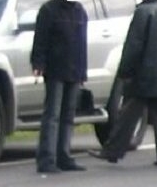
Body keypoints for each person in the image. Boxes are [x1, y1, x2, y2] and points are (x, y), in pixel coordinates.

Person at [89, 0, 157, 165]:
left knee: (128, 113)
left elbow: (134, 44)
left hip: (145, 72)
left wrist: (125, 71)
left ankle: (113, 150)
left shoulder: (143, 12)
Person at [31, 0, 89, 174]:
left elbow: (82, 44)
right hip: (55, 70)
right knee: (52, 115)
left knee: (68, 116)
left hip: (74, 70)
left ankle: (63, 156)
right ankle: (46, 159)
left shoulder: (79, 11)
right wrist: (38, 63)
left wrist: (83, 72)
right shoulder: (49, 10)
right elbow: (40, 40)